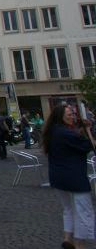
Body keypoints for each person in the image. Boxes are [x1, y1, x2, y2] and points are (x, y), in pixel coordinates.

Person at [42, 104, 95, 249]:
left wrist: (80, 129)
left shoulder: (53, 131)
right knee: (83, 210)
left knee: (68, 209)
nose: (72, 117)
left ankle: (68, 238)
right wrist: (88, 130)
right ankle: (79, 243)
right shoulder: (65, 133)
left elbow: (73, 141)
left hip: (58, 177)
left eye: (73, 114)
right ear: (61, 117)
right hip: (74, 177)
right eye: (69, 115)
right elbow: (89, 145)